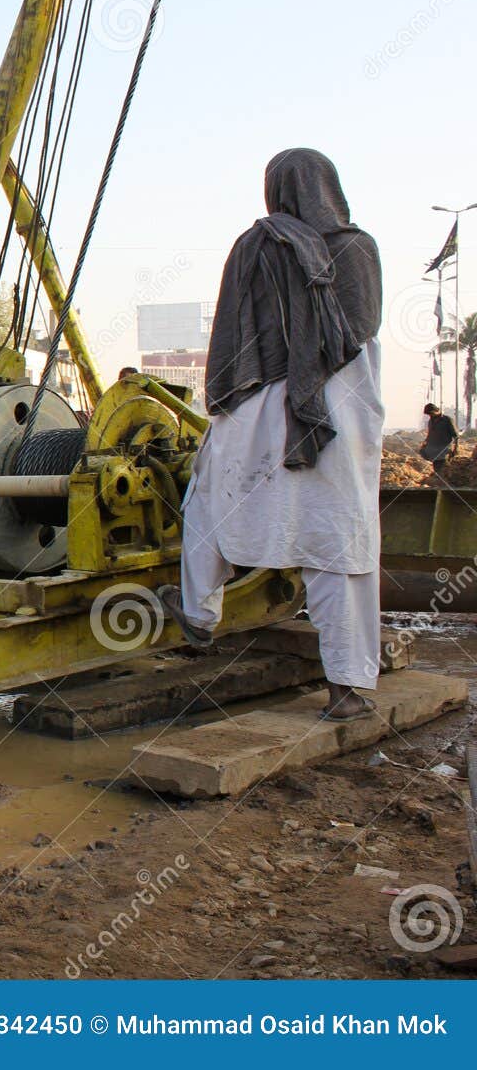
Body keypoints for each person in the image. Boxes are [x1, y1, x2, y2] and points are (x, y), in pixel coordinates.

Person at [158, 149, 383, 722]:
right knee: (339, 545)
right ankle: (347, 691)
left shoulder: (255, 244)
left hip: (258, 404)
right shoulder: (358, 247)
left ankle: (200, 617)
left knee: (208, 500)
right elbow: (359, 331)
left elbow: (234, 336)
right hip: (340, 410)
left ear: (276, 190)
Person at [420, 402, 458, 479]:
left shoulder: (447, 420)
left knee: (443, 469)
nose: (430, 415)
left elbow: (456, 436)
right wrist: (425, 444)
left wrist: (455, 448)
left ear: (436, 410)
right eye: (428, 414)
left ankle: (445, 484)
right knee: (437, 468)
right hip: (433, 451)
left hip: (444, 450)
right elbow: (430, 434)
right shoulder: (430, 421)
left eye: (431, 413)